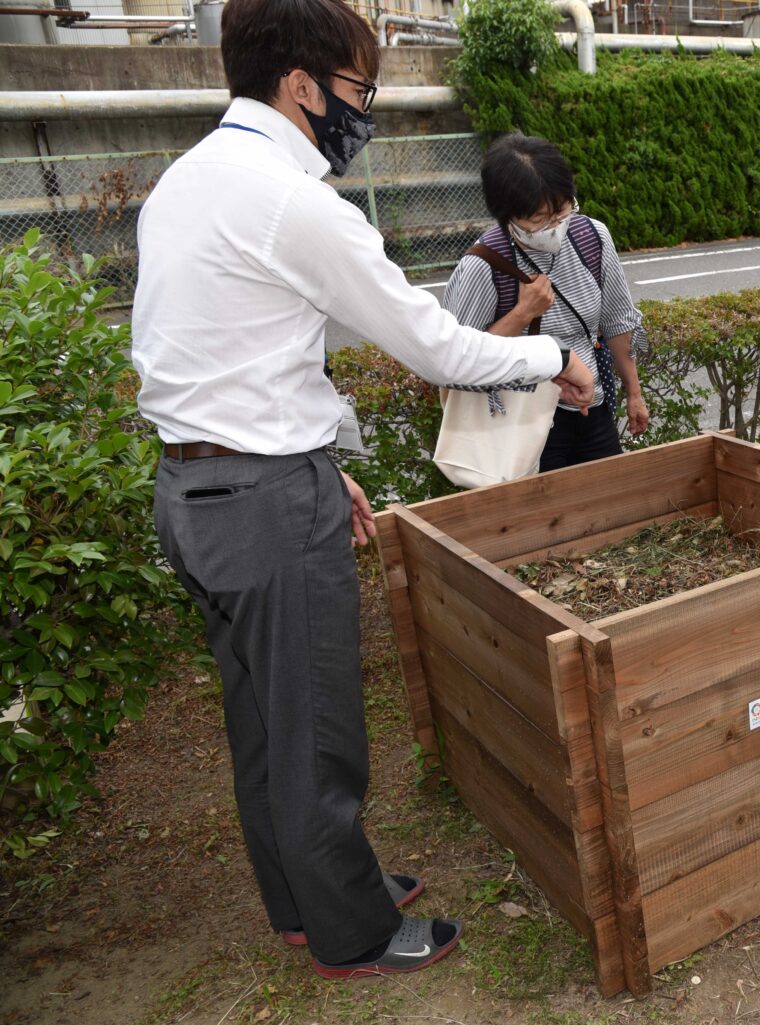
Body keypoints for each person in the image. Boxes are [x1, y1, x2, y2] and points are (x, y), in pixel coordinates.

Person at [131, 0, 592, 979]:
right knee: (319, 730)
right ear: (303, 84)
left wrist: (318, 461)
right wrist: (553, 356)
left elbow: (224, 356)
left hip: (197, 490)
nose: (365, 111)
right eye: (360, 90)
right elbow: (430, 340)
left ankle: (306, 900)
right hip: (261, 503)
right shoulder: (291, 200)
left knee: (262, 720)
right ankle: (354, 930)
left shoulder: (188, 179)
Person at [443, 134, 648, 473]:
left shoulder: (592, 238)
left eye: (562, 210)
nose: (555, 225)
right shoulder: (484, 264)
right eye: (540, 218)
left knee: (608, 506)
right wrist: (523, 313)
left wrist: (634, 393)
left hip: (591, 408)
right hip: (520, 426)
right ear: (507, 213)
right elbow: (458, 359)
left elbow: (618, 323)